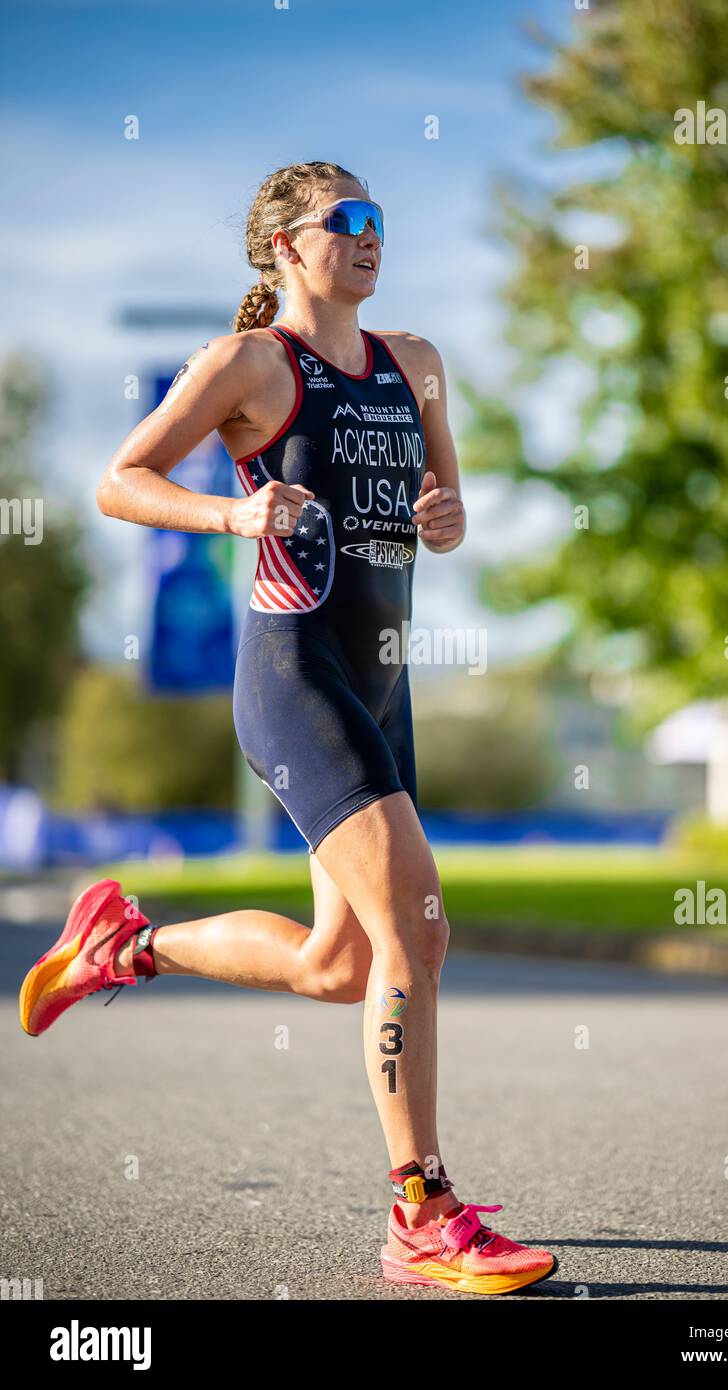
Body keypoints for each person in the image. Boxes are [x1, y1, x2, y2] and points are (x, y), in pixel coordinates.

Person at [19, 161, 556, 1296]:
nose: (369, 237)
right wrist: (230, 509)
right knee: (419, 926)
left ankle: (123, 944)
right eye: (345, 222)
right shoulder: (250, 366)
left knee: (339, 963)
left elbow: (442, 518)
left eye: (377, 221)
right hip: (294, 674)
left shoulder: (418, 364)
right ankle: (421, 1208)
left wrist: (445, 515)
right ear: (284, 246)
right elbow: (121, 479)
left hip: (383, 682)